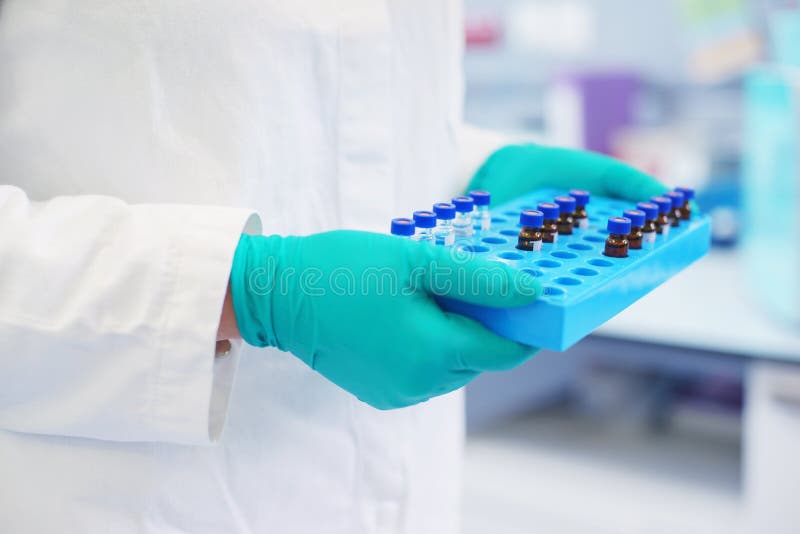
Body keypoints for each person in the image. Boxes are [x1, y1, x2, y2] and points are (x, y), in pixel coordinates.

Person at [0, 1, 665, 532]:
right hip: (128, 495)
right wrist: (248, 290)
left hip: (402, 484)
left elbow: (330, 123)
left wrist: (472, 182)